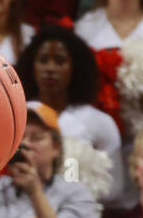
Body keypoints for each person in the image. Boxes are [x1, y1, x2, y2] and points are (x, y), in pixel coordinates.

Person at [15, 22, 124, 201]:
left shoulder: (99, 122)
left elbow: (115, 189)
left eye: (60, 61)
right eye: (43, 60)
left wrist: (74, 194)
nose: (50, 68)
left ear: (76, 67)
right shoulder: (16, 117)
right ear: (31, 66)